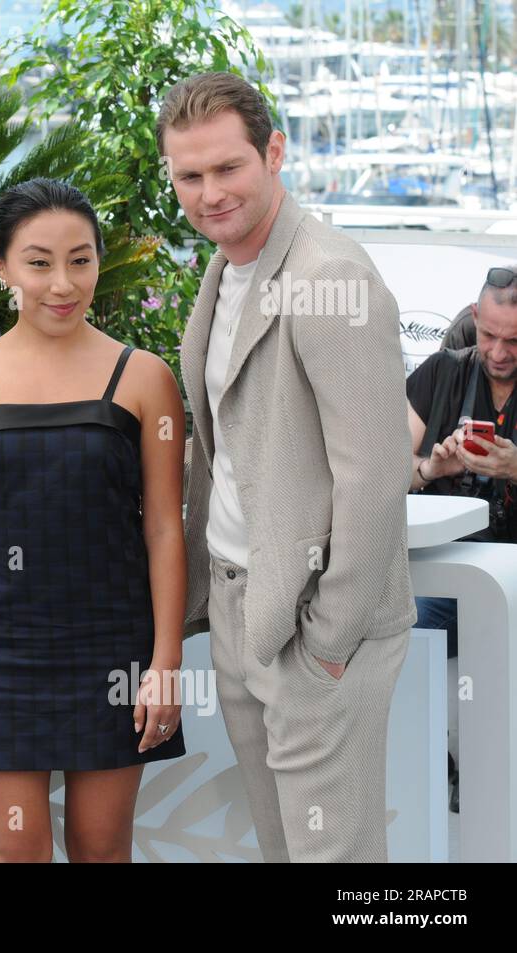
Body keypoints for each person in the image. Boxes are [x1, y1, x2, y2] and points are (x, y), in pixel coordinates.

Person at [163, 71, 416, 862]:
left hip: (314, 624)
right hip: (243, 608)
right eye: (189, 176)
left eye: (227, 168)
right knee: (282, 850)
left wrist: (329, 641)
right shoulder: (225, 269)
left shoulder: (329, 275)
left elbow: (375, 478)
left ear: (274, 153)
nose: (209, 193)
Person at [0, 178, 188, 863]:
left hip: (111, 654)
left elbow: (163, 529)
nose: (62, 283)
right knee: (15, 853)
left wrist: (165, 661)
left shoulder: (144, 377)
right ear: (1, 266)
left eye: (81, 259)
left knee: (103, 851)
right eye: (39, 262)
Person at [407, 263, 517, 813]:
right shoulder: (440, 372)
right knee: (408, 626)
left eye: (513, 341)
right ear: (475, 319)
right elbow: (386, 469)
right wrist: (432, 468)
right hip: (444, 570)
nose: (498, 352)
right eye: (490, 335)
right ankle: (425, 769)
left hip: (510, 574)